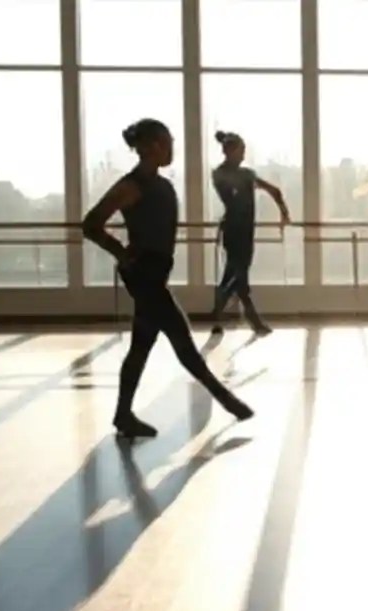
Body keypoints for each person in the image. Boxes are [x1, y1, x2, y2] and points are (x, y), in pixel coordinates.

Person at [82, 119, 254, 438]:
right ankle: (228, 401)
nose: (171, 147)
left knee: (141, 344)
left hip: (154, 271)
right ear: (150, 146)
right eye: (166, 142)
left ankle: (123, 415)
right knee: (182, 340)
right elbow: (91, 224)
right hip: (145, 275)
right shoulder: (132, 185)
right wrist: (121, 252)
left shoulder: (160, 184)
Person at [208, 131, 290, 336]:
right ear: (232, 151)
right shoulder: (244, 175)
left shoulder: (220, 174)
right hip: (242, 230)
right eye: (241, 151)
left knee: (234, 274)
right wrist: (284, 213)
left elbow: (273, 191)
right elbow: (275, 191)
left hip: (234, 229)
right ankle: (248, 320)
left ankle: (222, 315)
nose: (243, 155)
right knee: (238, 276)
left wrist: (283, 212)